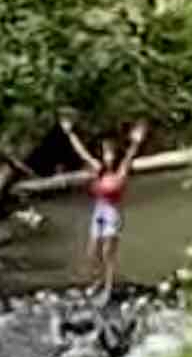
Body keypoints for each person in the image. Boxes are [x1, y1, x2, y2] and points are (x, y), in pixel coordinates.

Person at [62, 112, 147, 299]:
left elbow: (131, 154)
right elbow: (81, 152)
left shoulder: (120, 172)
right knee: (92, 251)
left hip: (112, 212)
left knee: (108, 252)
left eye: (111, 152)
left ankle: (108, 287)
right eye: (106, 152)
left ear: (115, 155)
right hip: (98, 211)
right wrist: (70, 134)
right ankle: (97, 281)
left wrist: (136, 141)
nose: (108, 156)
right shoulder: (97, 170)